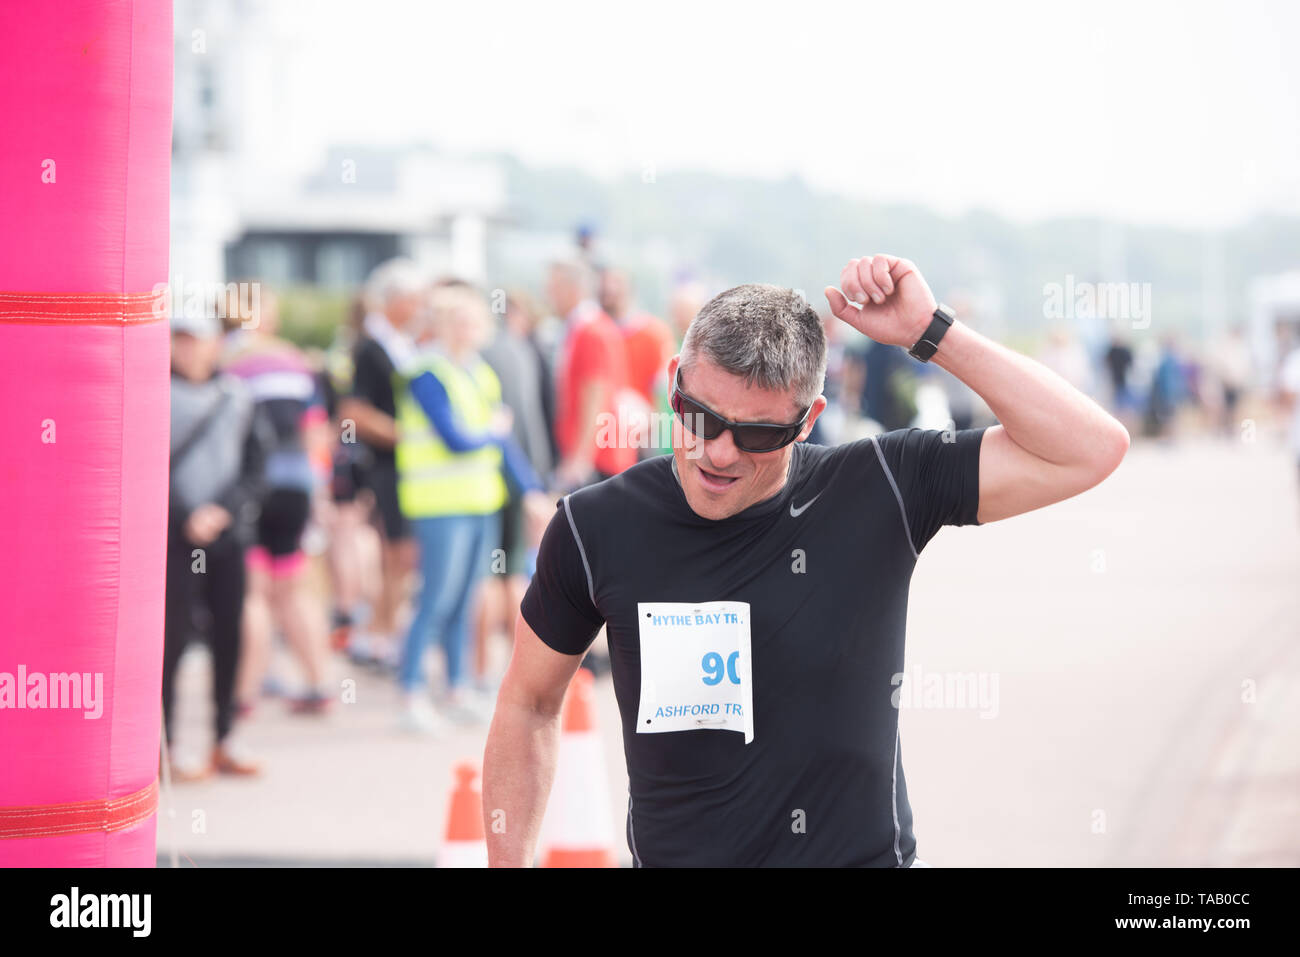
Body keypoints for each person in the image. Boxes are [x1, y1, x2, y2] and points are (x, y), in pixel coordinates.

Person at [483, 254, 1129, 867]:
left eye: (758, 433)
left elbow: (1090, 448)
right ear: (675, 381)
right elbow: (528, 703)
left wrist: (933, 333)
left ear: (808, 418)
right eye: (701, 417)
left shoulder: (879, 486)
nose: (721, 453)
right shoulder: (596, 525)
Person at [395, 284, 550, 732]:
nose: (469, 330)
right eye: (459, 321)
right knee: (435, 598)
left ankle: (457, 687)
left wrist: (531, 491)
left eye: (473, 321)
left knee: (464, 599)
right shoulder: (427, 373)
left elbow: (502, 444)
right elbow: (458, 438)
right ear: (442, 326)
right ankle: (411, 693)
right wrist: (492, 430)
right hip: (439, 505)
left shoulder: (479, 372)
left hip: (479, 501)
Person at [221, 286, 334, 716]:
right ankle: (319, 683)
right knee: (293, 589)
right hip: (295, 486)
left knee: (252, 594)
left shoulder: (223, 361)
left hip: (248, 486)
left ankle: (243, 693)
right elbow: (315, 428)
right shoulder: (294, 360)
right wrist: (317, 487)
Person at [163, 311, 266, 780]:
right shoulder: (153, 393)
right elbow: (144, 466)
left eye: (195, 340)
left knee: (230, 635)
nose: (186, 349)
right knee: (172, 640)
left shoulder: (237, 396)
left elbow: (256, 466)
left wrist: (222, 510)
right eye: (179, 340)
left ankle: (223, 737)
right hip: (175, 537)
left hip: (227, 536)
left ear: (214, 345)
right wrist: (187, 515)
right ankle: (164, 745)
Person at [338, 258, 425, 668]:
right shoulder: (372, 346)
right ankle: (380, 635)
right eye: (413, 300)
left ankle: (382, 632)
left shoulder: (399, 342)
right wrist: (408, 435)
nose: (419, 307)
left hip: (403, 466)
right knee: (398, 551)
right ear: (395, 300)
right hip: (389, 465)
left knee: (401, 553)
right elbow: (353, 410)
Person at [547, 259, 637, 488]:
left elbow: (597, 392)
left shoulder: (592, 330)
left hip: (598, 460)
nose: (548, 294)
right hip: (596, 456)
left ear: (573, 288)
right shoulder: (584, 327)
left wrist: (580, 459)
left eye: (554, 287)